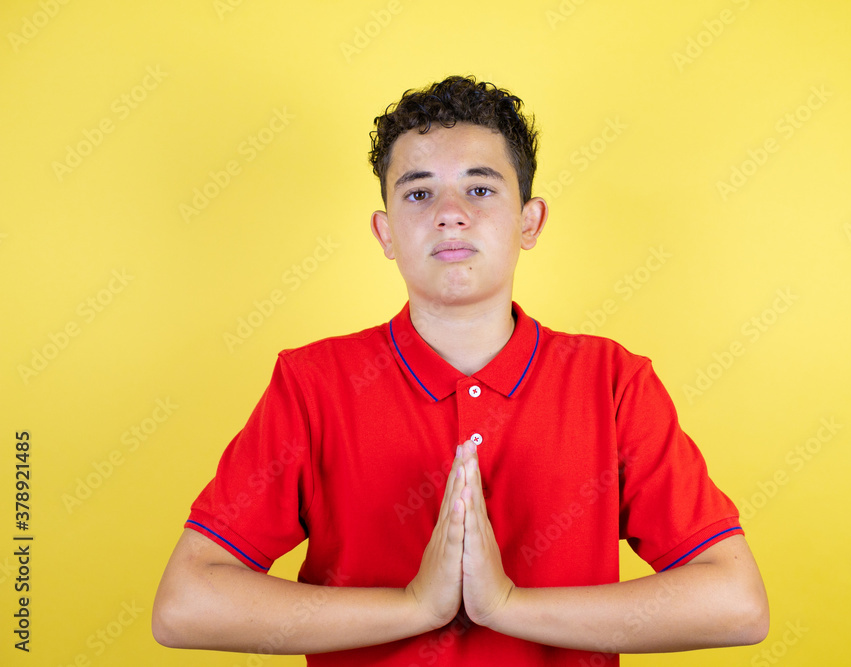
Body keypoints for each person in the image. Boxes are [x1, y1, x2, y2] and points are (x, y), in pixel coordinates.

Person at [152, 75, 769, 666]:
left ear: (529, 221)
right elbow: (185, 605)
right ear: (385, 231)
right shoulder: (313, 384)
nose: (450, 213)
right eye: (419, 193)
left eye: (480, 189)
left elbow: (735, 604)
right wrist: (415, 606)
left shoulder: (611, 382)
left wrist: (506, 605)